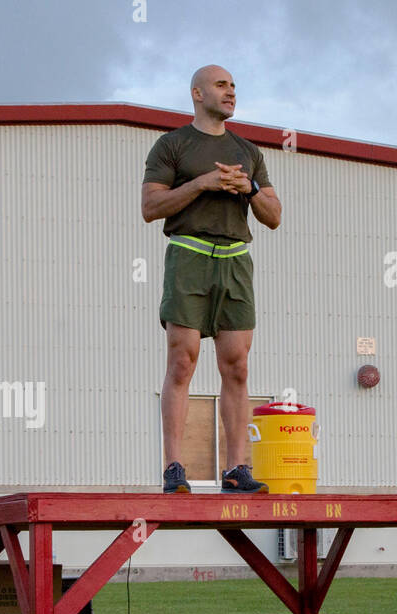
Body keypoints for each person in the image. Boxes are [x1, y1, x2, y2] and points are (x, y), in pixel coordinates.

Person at [142, 64, 282, 494]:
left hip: (236, 261)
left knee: (237, 366)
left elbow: (274, 217)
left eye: (234, 86)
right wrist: (203, 182)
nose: (231, 92)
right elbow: (151, 207)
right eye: (222, 85)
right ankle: (174, 468)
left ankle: (236, 470)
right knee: (182, 361)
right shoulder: (172, 145)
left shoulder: (249, 152)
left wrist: (250, 190)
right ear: (197, 94)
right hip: (189, 256)